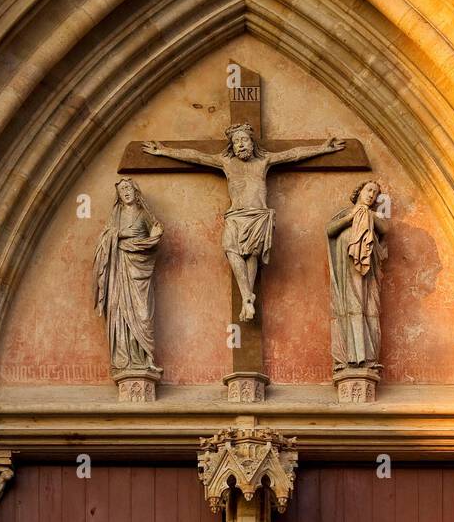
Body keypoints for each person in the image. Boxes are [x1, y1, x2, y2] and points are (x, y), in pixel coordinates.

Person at [143, 124, 345, 321]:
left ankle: (247, 298)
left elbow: (294, 154)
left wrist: (322, 148)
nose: (240, 144)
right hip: (235, 215)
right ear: (231, 146)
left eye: (244, 140)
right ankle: (247, 295)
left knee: (252, 256)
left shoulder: (264, 161)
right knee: (230, 248)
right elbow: (196, 156)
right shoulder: (226, 162)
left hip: (258, 214)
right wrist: (164, 151)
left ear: (252, 142)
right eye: (236, 141)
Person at [93, 177, 163, 374]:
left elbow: (155, 234)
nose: (125, 192)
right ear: (118, 194)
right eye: (122, 189)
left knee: (143, 313)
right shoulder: (115, 215)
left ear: (135, 191)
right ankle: (125, 359)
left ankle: (145, 357)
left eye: (128, 188)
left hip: (140, 268)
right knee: (120, 312)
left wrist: (156, 235)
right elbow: (105, 238)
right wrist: (118, 235)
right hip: (119, 267)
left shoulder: (144, 213)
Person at [327, 178, 388, 372]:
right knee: (349, 308)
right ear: (359, 191)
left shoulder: (372, 217)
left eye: (375, 194)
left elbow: (385, 229)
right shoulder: (346, 214)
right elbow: (329, 230)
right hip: (346, 271)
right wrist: (352, 217)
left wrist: (369, 216)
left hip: (368, 273)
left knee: (369, 308)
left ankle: (368, 358)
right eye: (369, 190)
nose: (371, 195)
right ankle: (349, 357)